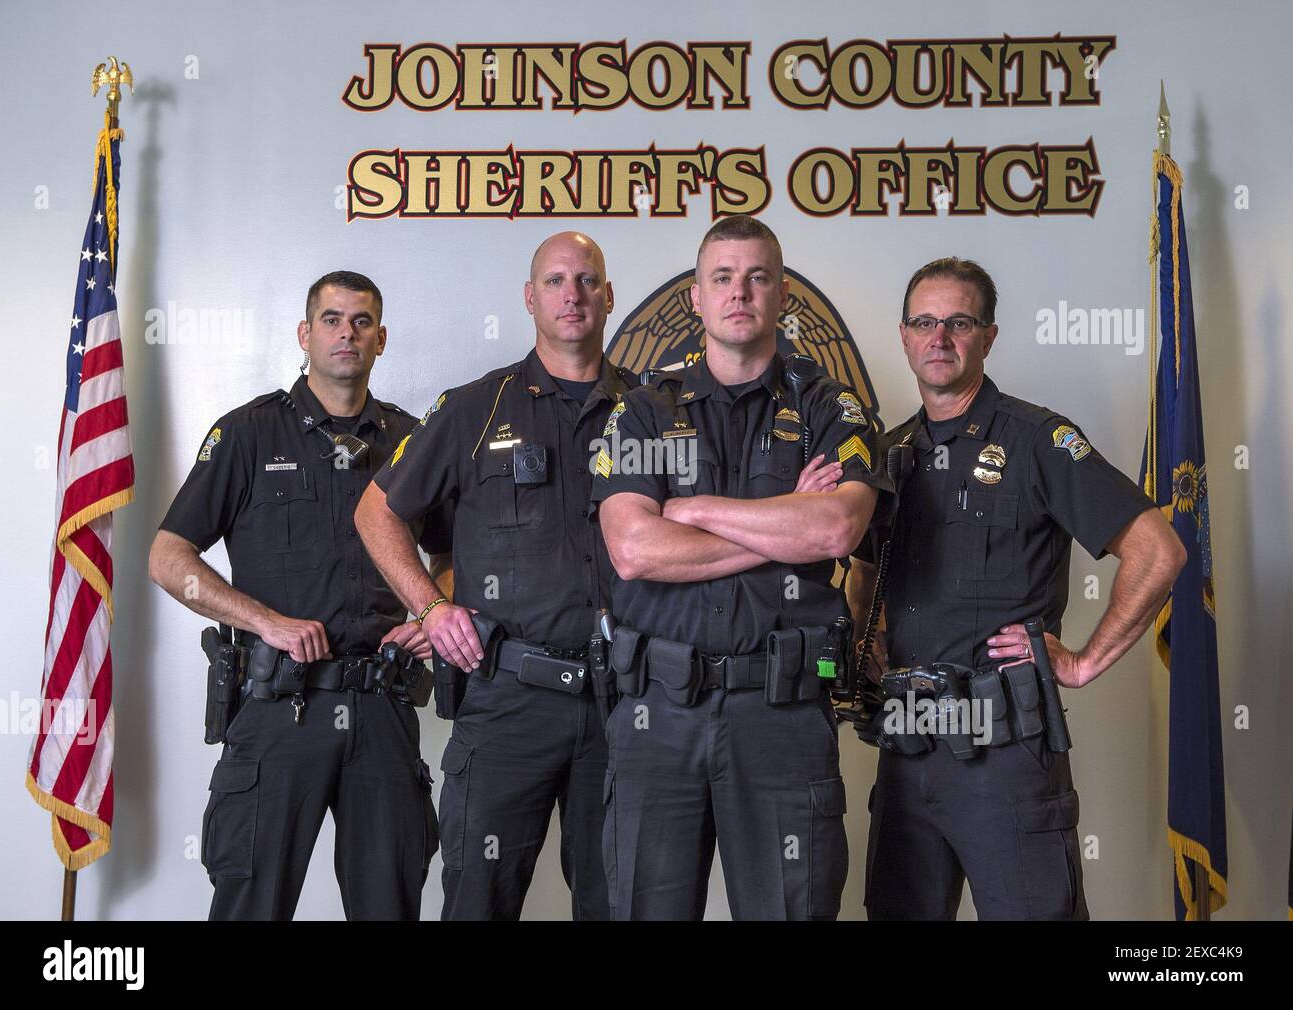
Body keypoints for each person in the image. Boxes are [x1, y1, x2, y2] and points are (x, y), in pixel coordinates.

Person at [859, 256, 1186, 920]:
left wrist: (1087, 658)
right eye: (925, 322)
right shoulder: (888, 455)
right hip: (905, 747)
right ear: (903, 335)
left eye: (959, 322)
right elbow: (865, 565)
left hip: (1003, 756)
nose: (939, 338)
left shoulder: (1036, 440)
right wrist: (868, 634)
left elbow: (1160, 549)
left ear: (989, 335)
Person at [592, 215, 888, 920]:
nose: (740, 292)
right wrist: (787, 526)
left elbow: (840, 524)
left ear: (782, 293)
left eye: (758, 277)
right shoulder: (642, 414)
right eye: (722, 277)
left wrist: (693, 511)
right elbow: (635, 550)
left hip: (780, 714)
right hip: (656, 715)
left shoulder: (829, 408)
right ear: (695, 296)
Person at [149, 270, 450, 920]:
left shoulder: (409, 439)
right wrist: (266, 621)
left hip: (382, 707)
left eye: (362, 321)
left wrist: (435, 608)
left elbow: (455, 557)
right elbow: (168, 558)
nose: (348, 332)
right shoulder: (250, 434)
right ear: (305, 334)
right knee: (251, 904)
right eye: (333, 319)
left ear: (381, 339)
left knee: (389, 903)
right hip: (282, 704)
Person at [355, 232, 635, 921]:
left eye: (586, 280)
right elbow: (377, 512)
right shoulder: (475, 408)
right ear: (530, 297)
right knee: (479, 902)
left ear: (608, 296)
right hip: (510, 700)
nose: (572, 294)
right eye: (556, 280)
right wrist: (430, 608)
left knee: (622, 902)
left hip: (628, 702)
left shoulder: (651, 410)